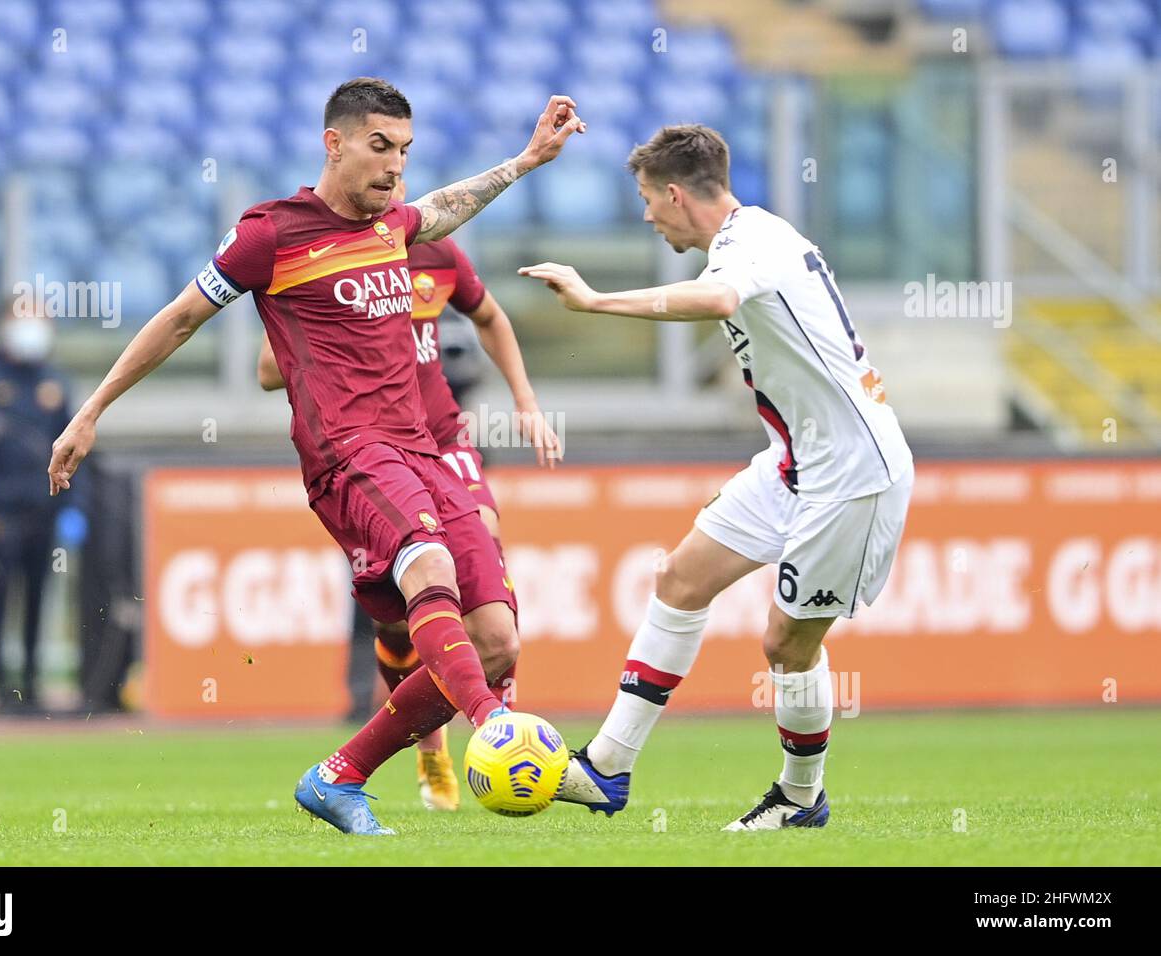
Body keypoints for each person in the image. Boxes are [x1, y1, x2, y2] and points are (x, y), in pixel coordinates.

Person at [48, 77, 584, 834]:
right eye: (379, 147)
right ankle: (496, 728)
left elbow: (450, 204)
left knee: (497, 639)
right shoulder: (270, 233)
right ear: (333, 143)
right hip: (349, 454)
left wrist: (527, 161)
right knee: (428, 567)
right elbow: (178, 319)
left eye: (404, 150)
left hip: (422, 450)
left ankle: (340, 775)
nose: (395, 166)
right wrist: (93, 408)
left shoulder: (393, 226)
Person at [519, 123, 914, 831]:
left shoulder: (749, 244)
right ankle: (607, 767)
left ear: (675, 193)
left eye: (646, 199)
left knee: (787, 645)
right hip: (796, 462)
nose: (646, 215)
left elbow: (721, 301)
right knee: (679, 579)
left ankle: (800, 798)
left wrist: (597, 300)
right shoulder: (749, 240)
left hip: (853, 471)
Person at [257, 177, 560, 811]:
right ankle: (431, 749)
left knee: (486, 585)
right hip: (370, 447)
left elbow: (491, 317)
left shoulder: (438, 255)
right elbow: (267, 370)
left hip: (441, 439)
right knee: (400, 613)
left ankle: (499, 726)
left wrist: (526, 403)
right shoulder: (332, 257)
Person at [0, 298, 88, 713]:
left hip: (45, 507)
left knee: (39, 594)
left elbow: (75, 447)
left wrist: (75, 506)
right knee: (0, 594)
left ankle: (33, 684)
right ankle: (0, 684)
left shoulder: (55, 383)